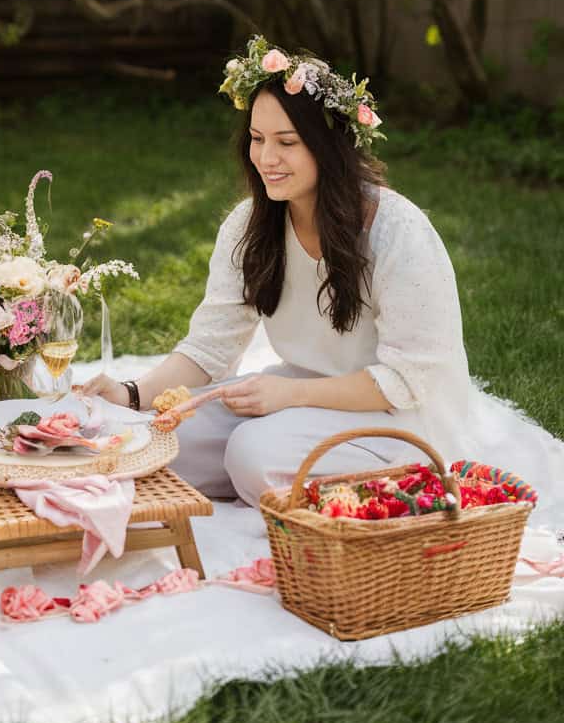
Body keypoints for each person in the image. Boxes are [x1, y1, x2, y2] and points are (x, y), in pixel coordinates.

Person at [81, 37, 564, 521]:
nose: (266, 158)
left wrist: (288, 396)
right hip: (299, 398)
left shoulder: (397, 231)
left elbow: (409, 379)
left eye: (287, 142)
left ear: (329, 146)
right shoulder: (250, 224)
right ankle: (278, 478)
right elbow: (209, 348)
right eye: (257, 138)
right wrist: (132, 396)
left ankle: (314, 483)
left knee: (252, 454)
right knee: (160, 443)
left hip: (395, 417)